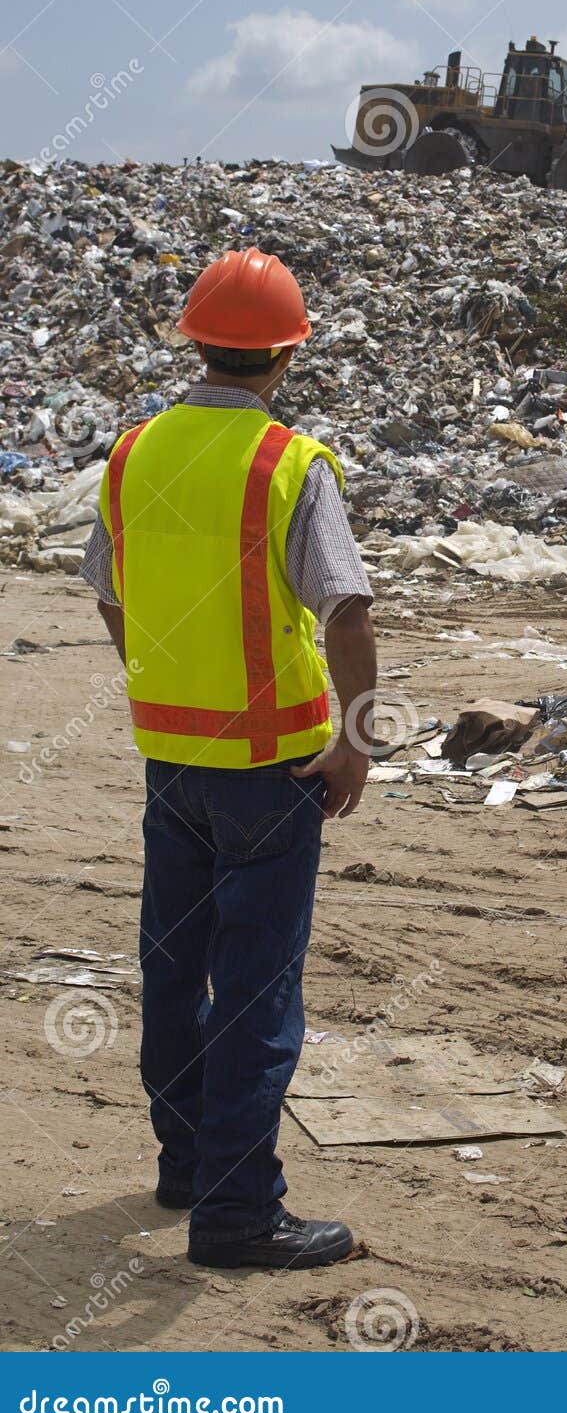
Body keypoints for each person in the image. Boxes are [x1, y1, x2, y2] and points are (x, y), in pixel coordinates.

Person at [80, 246, 376, 1270]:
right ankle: (240, 1214)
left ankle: (187, 1160)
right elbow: (346, 603)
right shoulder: (287, 461)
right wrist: (358, 734)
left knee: (173, 964)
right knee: (255, 990)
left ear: (194, 339)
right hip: (275, 770)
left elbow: (112, 592)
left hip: (171, 759)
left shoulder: (132, 455)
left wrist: (159, 684)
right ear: (285, 355)